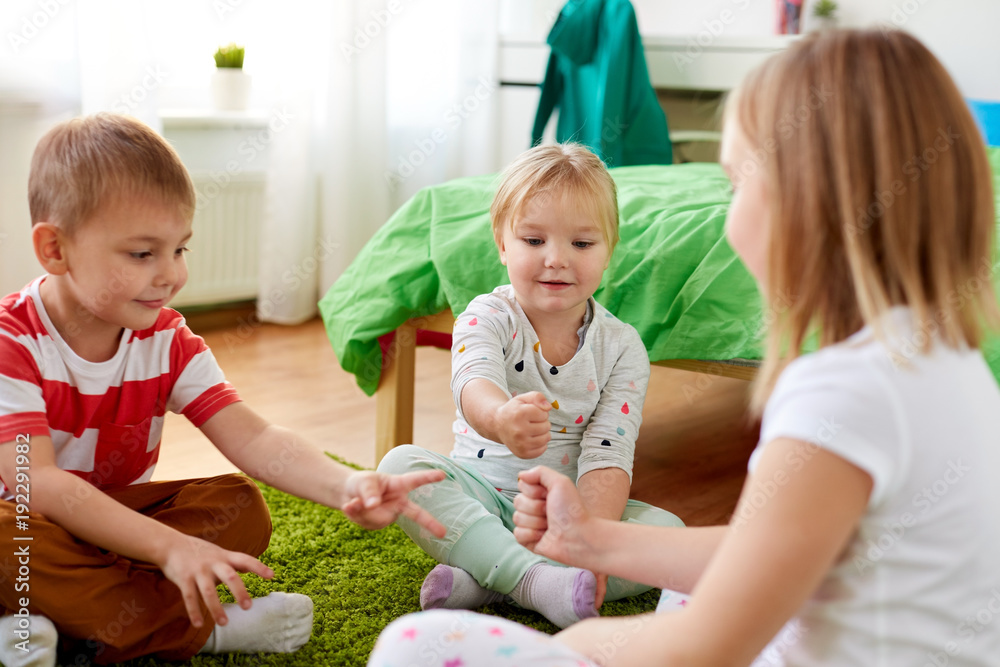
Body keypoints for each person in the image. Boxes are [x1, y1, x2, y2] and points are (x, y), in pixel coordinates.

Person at [368, 28, 1000, 666]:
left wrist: (586, 646)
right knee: (674, 579)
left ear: (803, 203)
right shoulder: (949, 361)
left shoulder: (844, 390)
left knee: (409, 646)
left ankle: (516, 578)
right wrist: (590, 541)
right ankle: (524, 572)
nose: (731, 212)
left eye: (735, 182)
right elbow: (762, 553)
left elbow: (713, 645)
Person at [0, 113, 446, 667]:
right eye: (143, 254)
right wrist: (167, 547)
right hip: (24, 524)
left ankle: (56, 624)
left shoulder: (166, 338)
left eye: (180, 249)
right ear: (55, 250)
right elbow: (37, 484)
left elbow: (254, 437)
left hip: (105, 525)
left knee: (239, 506)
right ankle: (194, 628)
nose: (172, 275)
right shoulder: (11, 342)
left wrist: (346, 484)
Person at [376, 142, 684, 630]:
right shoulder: (486, 316)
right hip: (481, 496)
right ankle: (537, 583)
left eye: (582, 244)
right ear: (502, 244)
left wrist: (585, 534)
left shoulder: (623, 348)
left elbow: (608, 456)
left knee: (670, 535)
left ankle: (489, 577)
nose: (557, 260)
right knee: (399, 468)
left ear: (609, 251)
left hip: (568, 517)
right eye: (534, 241)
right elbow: (473, 381)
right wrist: (500, 418)